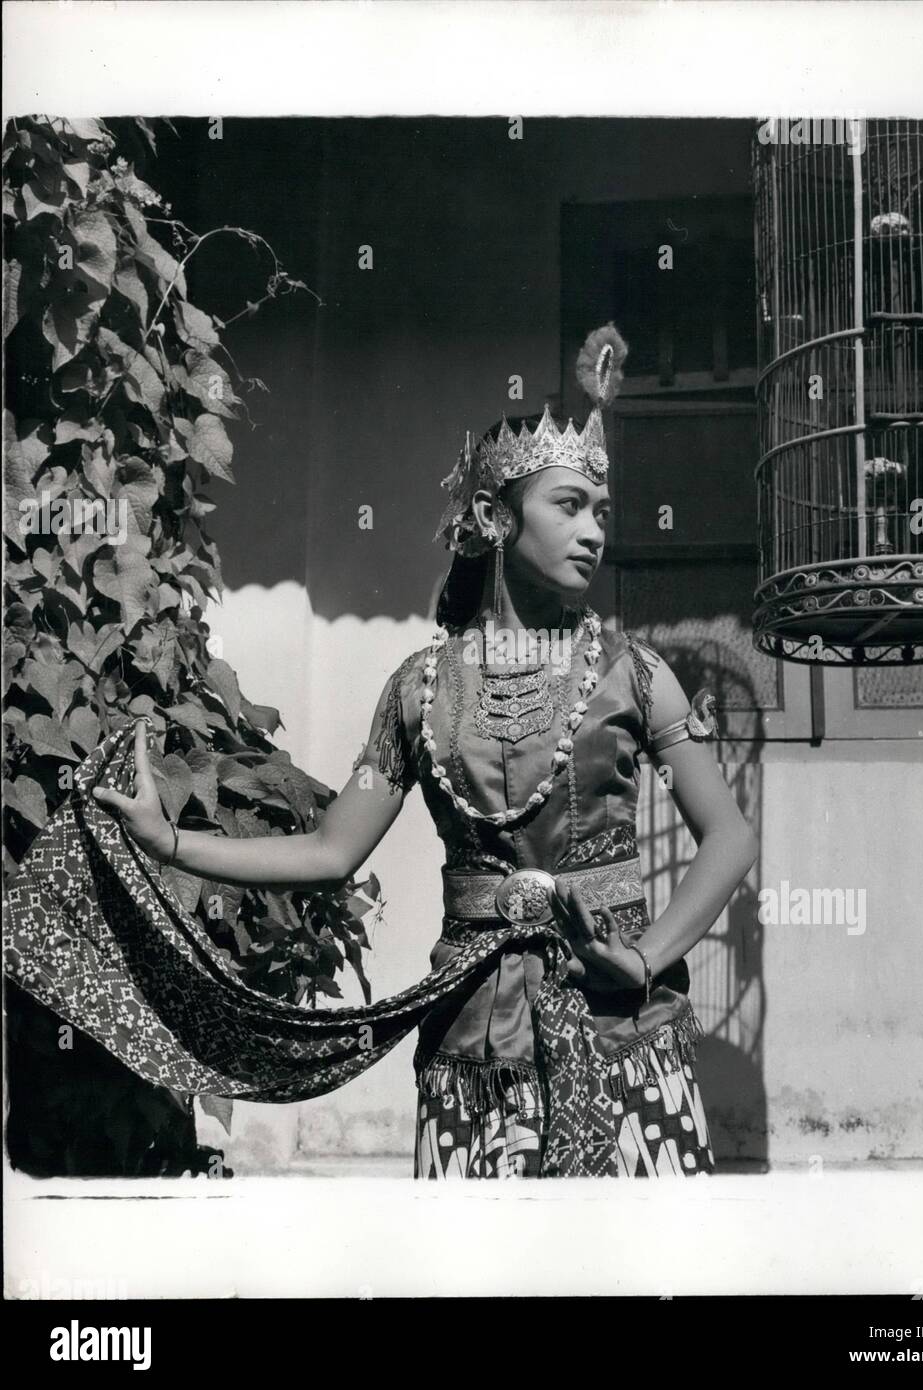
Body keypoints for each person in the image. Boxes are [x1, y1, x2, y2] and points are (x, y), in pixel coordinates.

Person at [10, 323, 758, 1178]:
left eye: (601, 512)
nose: (593, 531)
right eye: (568, 505)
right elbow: (333, 850)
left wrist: (647, 956)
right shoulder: (418, 689)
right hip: (473, 1039)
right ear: (492, 515)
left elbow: (729, 836)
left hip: (626, 1026)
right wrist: (169, 842)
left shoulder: (636, 674)